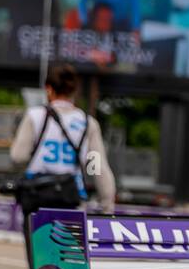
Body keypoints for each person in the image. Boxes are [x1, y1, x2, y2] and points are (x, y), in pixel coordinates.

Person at [10, 63, 116, 211]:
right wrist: (107, 204)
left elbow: (18, 157)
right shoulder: (88, 123)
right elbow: (97, 169)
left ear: (48, 88)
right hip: (71, 198)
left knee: (39, 234)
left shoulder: (35, 116)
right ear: (74, 90)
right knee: (68, 234)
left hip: (37, 197)